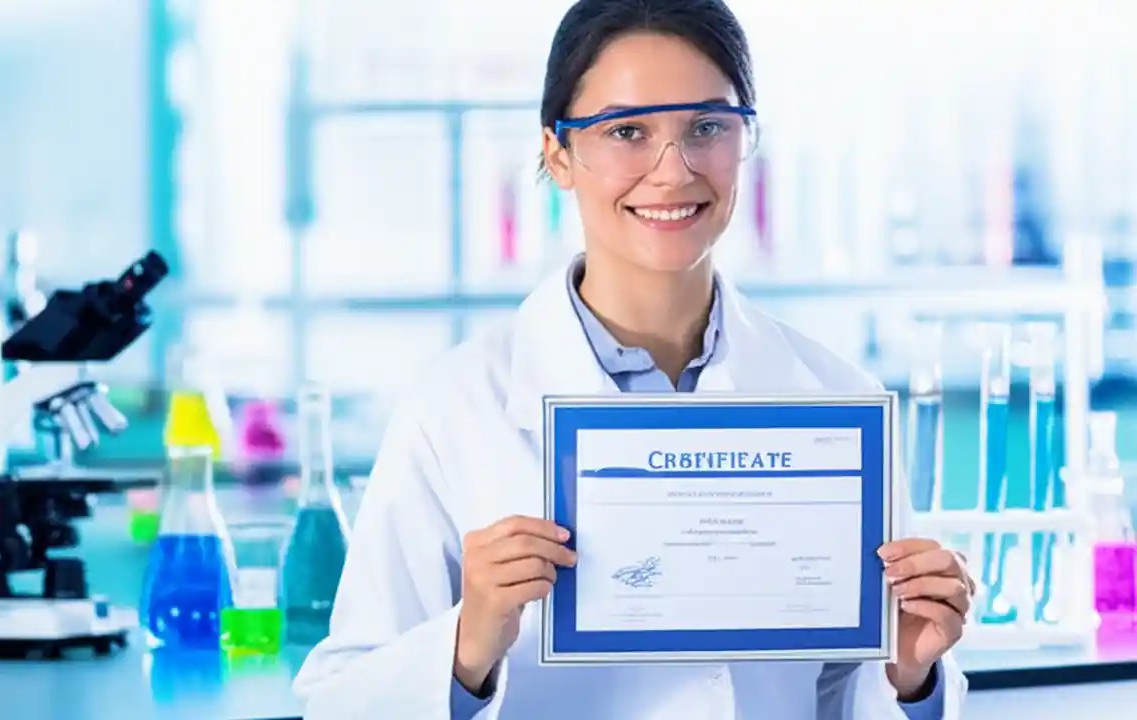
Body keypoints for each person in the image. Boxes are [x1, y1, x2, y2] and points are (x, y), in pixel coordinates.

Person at [292, 0, 972, 717]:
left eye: (708, 127)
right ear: (557, 153)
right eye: (627, 132)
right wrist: (464, 648)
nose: (673, 171)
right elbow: (340, 702)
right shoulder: (455, 411)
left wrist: (911, 682)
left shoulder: (835, 402)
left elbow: (843, 691)